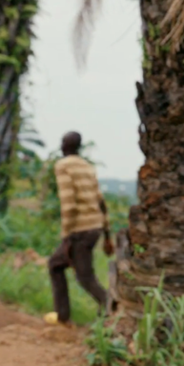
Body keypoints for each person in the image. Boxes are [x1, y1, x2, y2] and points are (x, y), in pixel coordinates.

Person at [45, 131, 114, 325]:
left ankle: (110, 306)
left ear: (64, 146)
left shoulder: (63, 166)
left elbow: (69, 204)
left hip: (80, 230)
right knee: (56, 265)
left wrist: (66, 235)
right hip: (95, 228)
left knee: (84, 276)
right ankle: (62, 315)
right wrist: (107, 235)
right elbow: (101, 202)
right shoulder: (87, 166)